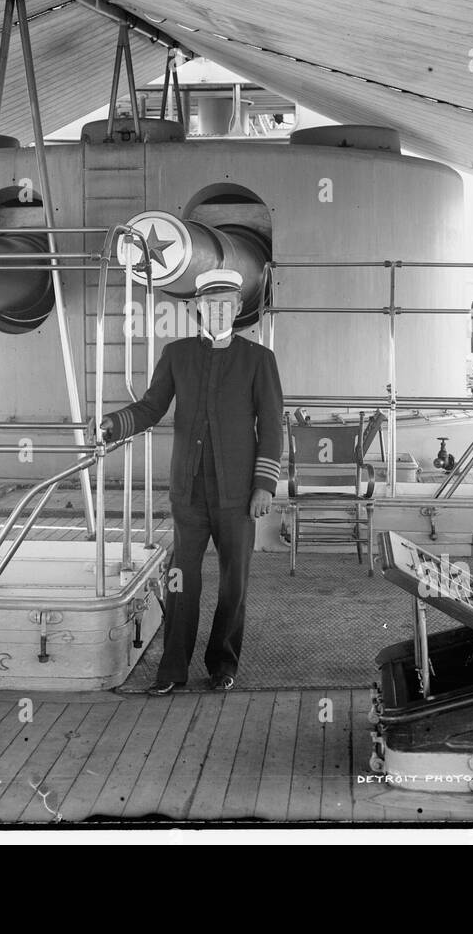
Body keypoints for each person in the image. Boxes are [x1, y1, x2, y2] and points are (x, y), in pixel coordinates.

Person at [92, 268, 284, 694]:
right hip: (189, 496)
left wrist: (264, 486)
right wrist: (111, 424)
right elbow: (150, 408)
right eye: (209, 304)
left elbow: (271, 427)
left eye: (225, 304)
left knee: (234, 583)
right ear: (199, 309)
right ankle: (172, 670)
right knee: (181, 582)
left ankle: (222, 665)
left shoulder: (259, 360)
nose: (217, 311)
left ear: (237, 309)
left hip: (238, 498)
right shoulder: (177, 355)